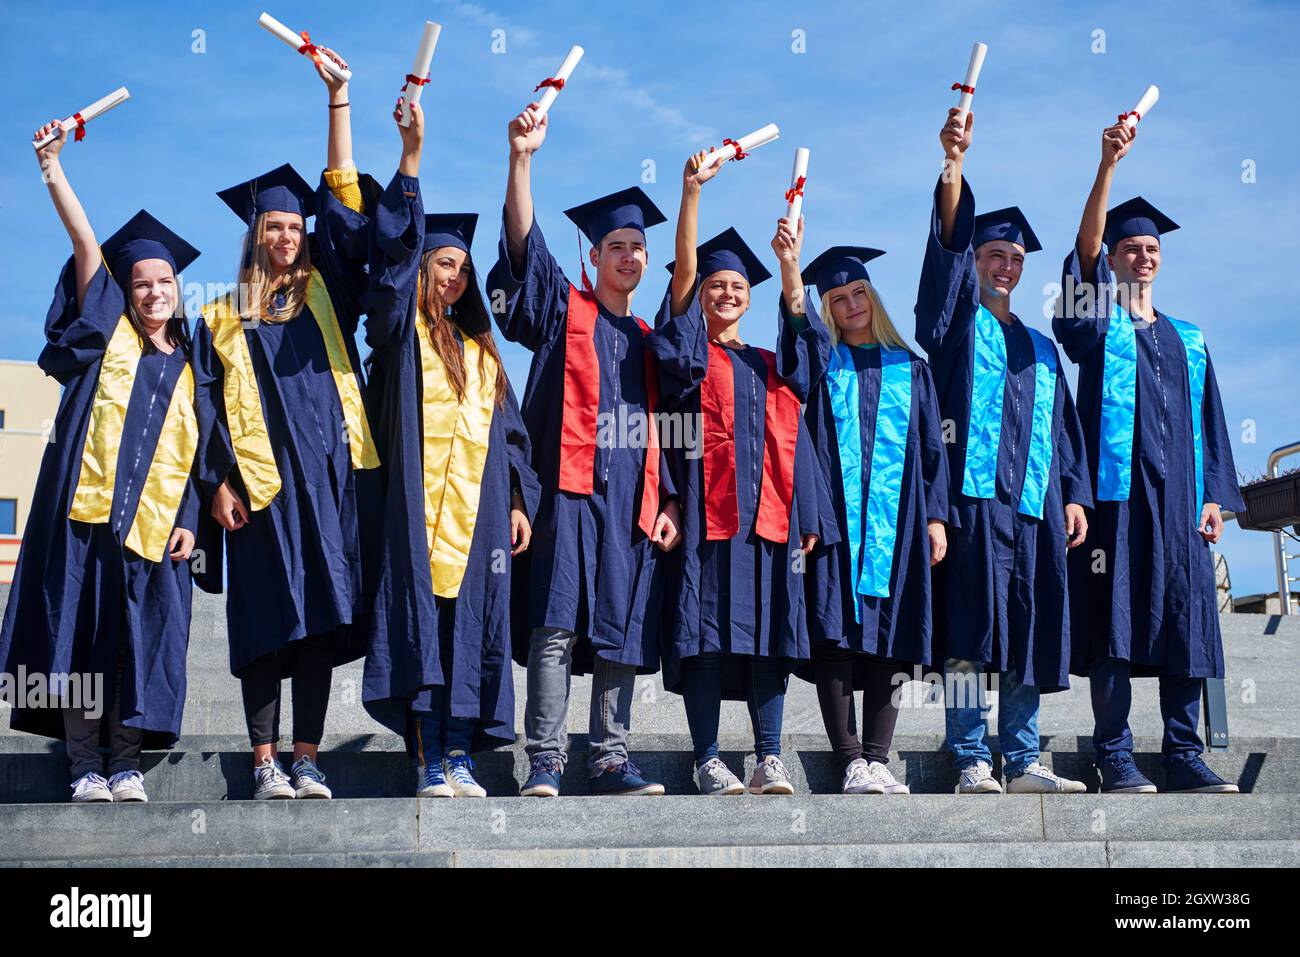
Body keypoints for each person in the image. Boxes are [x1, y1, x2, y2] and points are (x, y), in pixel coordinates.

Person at [0, 120, 210, 803]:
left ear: (179, 288)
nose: (153, 292)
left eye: (164, 282)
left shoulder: (192, 363)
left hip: (152, 531)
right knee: (80, 634)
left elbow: (203, 450)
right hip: (83, 520)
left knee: (136, 639)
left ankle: (126, 761)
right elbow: (87, 244)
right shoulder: (106, 336)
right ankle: (83, 761)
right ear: (126, 291)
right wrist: (54, 168)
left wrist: (190, 518)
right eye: (141, 282)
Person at [193, 44, 381, 800]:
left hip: (332, 487)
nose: (287, 236)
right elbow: (203, 410)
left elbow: (344, 203)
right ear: (254, 235)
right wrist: (214, 485)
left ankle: (307, 755)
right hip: (263, 495)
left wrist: (338, 102)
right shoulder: (219, 317)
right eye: (273, 226)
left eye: (293, 226)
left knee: (322, 626)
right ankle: (264, 757)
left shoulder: (327, 295)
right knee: (270, 621)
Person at [484, 101, 683, 797]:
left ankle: (608, 756)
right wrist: (522, 160)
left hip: (631, 501)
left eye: (637, 248)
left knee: (621, 634)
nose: (628, 256)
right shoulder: (565, 311)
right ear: (592, 256)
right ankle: (544, 759)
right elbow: (523, 251)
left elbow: (678, 429)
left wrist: (668, 500)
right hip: (566, 493)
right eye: (615, 247)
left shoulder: (654, 341)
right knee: (556, 623)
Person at [1054, 118, 1244, 794]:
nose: (1141, 255)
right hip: (1116, 506)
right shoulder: (1093, 326)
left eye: (1149, 248)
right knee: (1114, 625)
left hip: (1182, 510)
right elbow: (1078, 255)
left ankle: (1185, 752)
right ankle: (1115, 754)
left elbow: (1213, 424)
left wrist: (1215, 494)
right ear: (1110, 260)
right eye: (1128, 247)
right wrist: (1106, 166)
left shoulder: (1188, 338)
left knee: (1188, 625)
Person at [361, 100, 540, 798]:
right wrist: (411, 157)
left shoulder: (484, 354)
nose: (455, 278)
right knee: (424, 632)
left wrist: (521, 498)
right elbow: (389, 275)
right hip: (417, 514)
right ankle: (426, 756)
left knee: (474, 631)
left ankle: (459, 754)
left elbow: (513, 434)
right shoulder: (403, 339)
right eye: (443, 263)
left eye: (463, 269)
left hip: (479, 521)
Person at [648, 152, 836, 796]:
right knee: (703, 637)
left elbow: (809, 390)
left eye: (736, 288)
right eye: (714, 287)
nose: (726, 294)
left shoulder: (770, 362)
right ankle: (707, 758)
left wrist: (790, 272)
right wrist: (691, 195)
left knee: (771, 639)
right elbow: (674, 320)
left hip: (773, 522)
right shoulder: (688, 357)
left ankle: (769, 756)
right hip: (707, 518)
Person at [917, 107, 1092, 794]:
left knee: (1029, 625)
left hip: (1035, 511)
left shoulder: (1042, 348)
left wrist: (1075, 495)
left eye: (1016, 259)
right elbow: (945, 257)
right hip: (973, 505)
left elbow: (1067, 430)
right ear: (977, 263)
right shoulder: (958, 326)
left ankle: (1021, 758)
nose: (1007, 265)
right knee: (968, 629)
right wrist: (954, 165)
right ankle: (968, 755)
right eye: (995, 255)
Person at [775, 229, 951, 796]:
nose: (851, 306)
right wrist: (789, 267)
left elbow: (931, 451)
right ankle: (850, 758)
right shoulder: (823, 366)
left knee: (893, 636)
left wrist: (936, 518)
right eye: (838, 299)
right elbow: (796, 345)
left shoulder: (911, 369)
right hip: (834, 522)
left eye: (859, 294)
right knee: (837, 638)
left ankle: (878, 758)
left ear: (874, 298)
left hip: (897, 526)